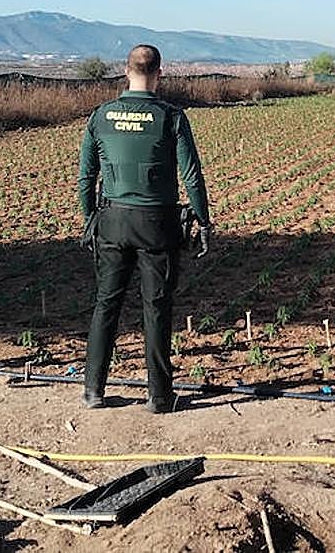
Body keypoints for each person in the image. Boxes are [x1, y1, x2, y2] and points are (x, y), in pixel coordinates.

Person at [77, 44, 212, 413]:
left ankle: (93, 390)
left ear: (126, 71)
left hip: (113, 222)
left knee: (106, 304)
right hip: (158, 225)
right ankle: (159, 395)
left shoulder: (101, 116)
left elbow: (86, 176)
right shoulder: (171, 117)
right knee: (156, 307)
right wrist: (202, 220)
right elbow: (191, 175)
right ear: (160, 74)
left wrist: (91, 218)